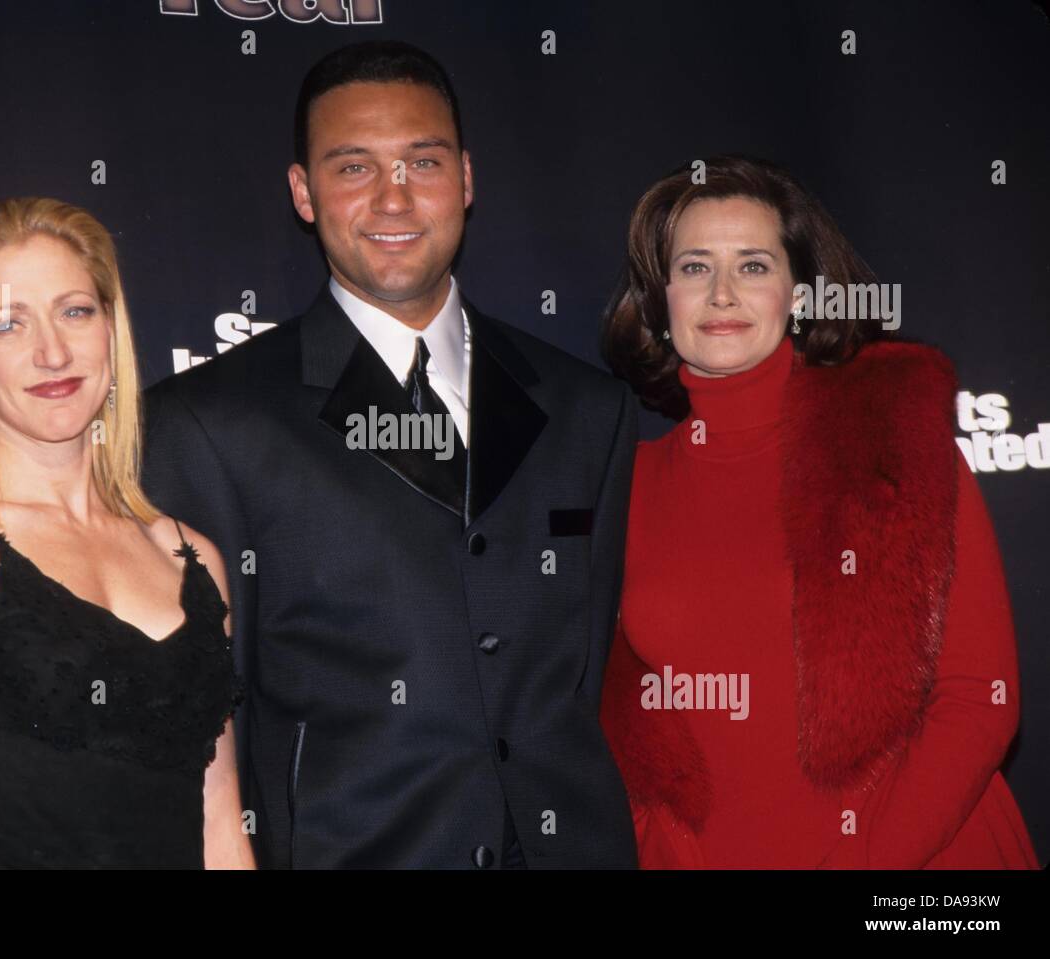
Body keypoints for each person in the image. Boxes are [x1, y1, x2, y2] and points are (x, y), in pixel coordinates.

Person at [141, 41, 639, 868]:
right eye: (353, 167)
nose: (394, 196)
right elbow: (204, 724)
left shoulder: (587, 409)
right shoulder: (209, 422)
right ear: (303, 193)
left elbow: (586, 680)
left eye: (423, 161)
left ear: (467, 179)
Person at [599, 154, 1039, 868]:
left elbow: (980, 697)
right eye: (693, 267)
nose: (721, 293)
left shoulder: (893, 445)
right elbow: (610, 723)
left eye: (753, 266)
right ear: (658, 300)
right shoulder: (624, 484)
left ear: (801, 295)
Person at [0, 197, 253, 868]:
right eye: (7, 325)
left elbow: (221, 829)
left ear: (109, 327)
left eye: (75, 311)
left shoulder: (192, 556)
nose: (53, 351)